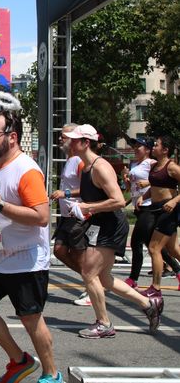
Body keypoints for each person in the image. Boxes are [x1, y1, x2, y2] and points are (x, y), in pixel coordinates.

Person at [0, 110, 61, 383]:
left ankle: (51, 374)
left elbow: (42, 217)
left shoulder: (27, 170)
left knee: (30, 318)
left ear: (12, 137)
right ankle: (20, 360)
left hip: (26, 258)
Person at [64, 124, 162, 338]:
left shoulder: (101, 167)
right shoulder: (86, 166)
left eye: (74, 139)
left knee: (89, 273)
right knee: (105, 279)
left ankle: (104, 324)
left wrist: (89, 207)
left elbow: (118, 201)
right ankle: (148, 304)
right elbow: (97, 198)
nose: (69, 142)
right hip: (100, 224)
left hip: (112, 225)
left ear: (85, 143)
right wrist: (83, 209)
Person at [48, 124, 89, 305]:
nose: (60, 139)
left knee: (80, 254)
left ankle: (92, 286)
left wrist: (64, 194)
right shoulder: (70, 159)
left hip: (78, 216)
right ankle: (93, 279)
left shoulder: (80, 161)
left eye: (63, 136)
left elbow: (88, 189)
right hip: (66, 216)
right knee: (59, 251)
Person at [145, 135, 180, 296]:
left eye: (157, 145)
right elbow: (155, 186)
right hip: (156, 209)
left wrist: (174, 201)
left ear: (165, 150)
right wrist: (142, 197)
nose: (153, 147)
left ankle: (156, 288)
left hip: (169, 210)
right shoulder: (154, 165)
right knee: (172, 249)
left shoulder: (172, 167)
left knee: (154, 248)